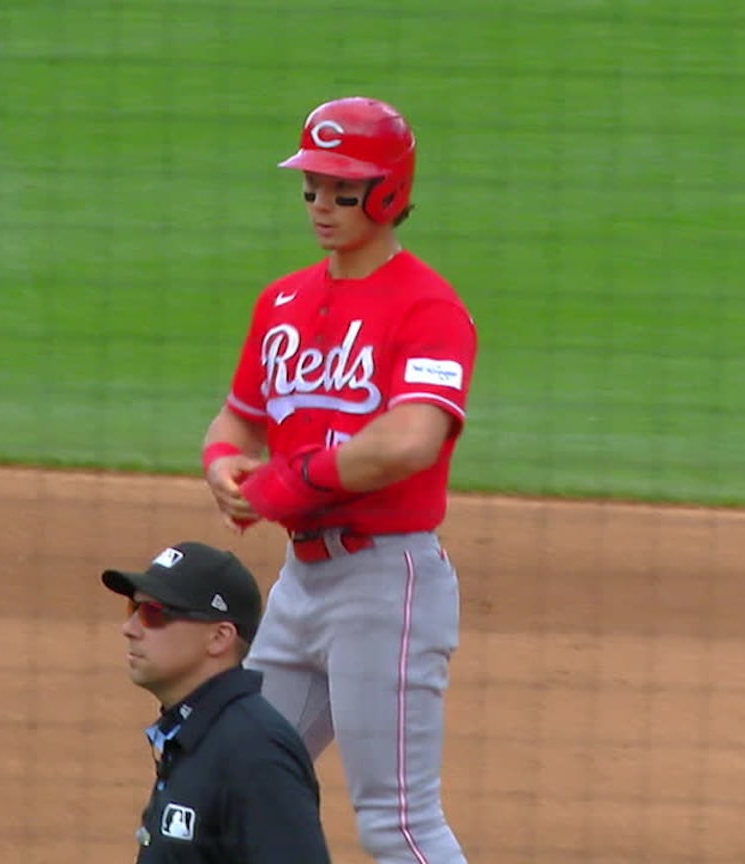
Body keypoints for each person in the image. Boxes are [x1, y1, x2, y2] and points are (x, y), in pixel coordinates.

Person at [200, 96, 476, 864]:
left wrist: (290, 484)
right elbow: (235, 422)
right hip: (300, 587)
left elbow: (409, 440)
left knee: (397, 822)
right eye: (313, 186)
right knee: (227, 782)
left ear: (388, 193)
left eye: (343, 189)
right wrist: (226, 470)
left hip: (387, 585)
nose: (322, 204)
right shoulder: (283, 300)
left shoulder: (427, 305)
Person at [102, 541, 333, 863]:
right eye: (133, 609)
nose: (129, 629)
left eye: (153, 613)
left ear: (219, 637)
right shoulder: (196, 734)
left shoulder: (255, 749)